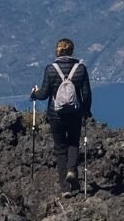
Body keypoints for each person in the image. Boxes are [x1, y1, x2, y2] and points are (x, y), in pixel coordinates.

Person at [30, 37, 92, 195]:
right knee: (73, 143)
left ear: (58, 51)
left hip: (55, 114)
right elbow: (86, 94)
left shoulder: (51, 69)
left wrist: (34, 93)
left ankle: (65, 189)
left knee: (60, 148)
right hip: (75, 113)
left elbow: (44, 94)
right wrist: (86, 110)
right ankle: (72, 171)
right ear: (72, 51)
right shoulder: (80, 69)